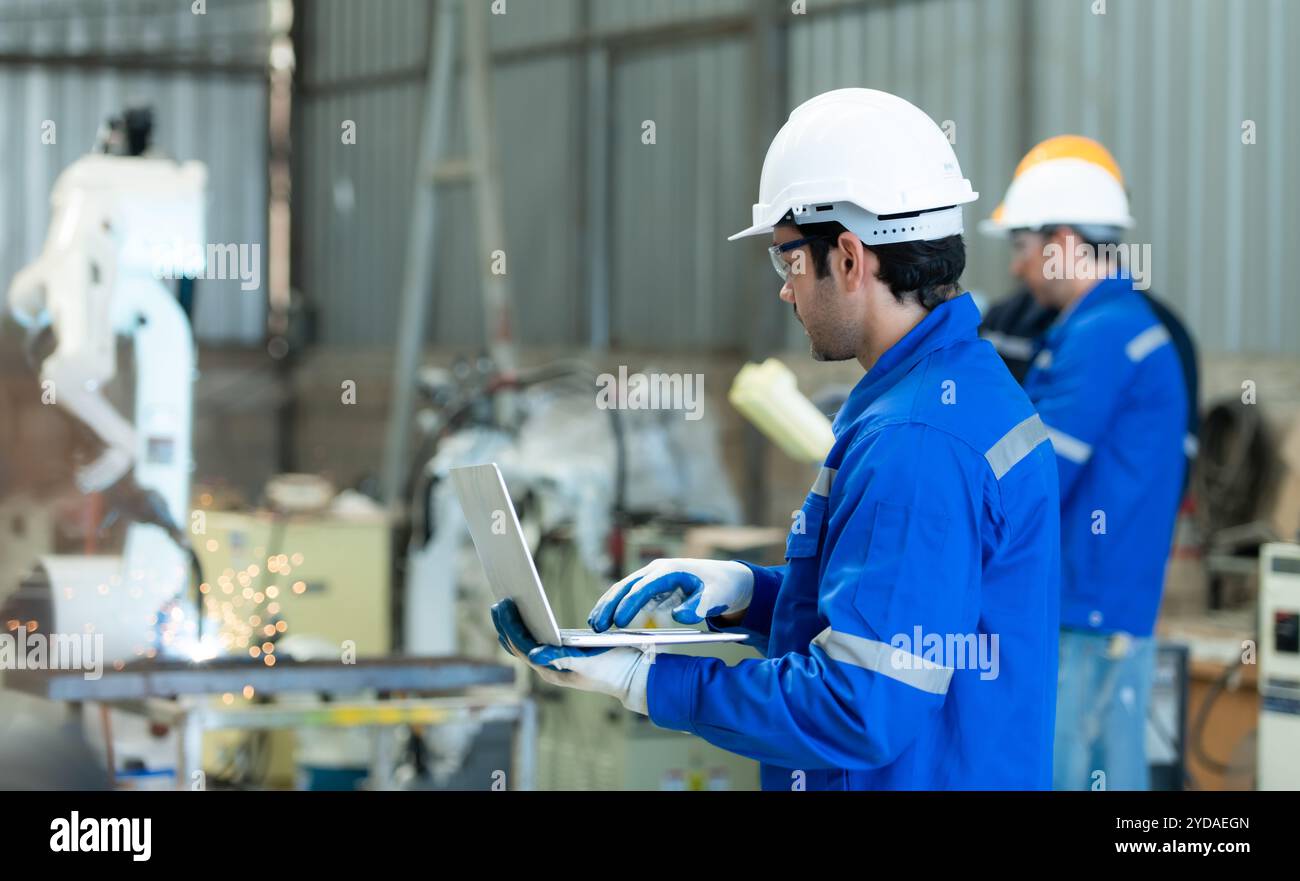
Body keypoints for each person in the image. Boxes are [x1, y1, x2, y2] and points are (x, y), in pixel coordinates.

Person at [491, 88, 1061, 790]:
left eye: (788, 260)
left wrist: (652, 682)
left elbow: (859, 705)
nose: (786, 291)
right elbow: (897, 617)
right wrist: (749, 595)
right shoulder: (950, 390)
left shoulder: (919, 438)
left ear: (849, 258)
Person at [982, 135, 1191, 790]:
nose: (1016, 268)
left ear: (1063, 240)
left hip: (1087, 609)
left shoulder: (1102, 338)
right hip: (1093, 605)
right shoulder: (1100, 328)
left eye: (1020, 245)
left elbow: (1031, 479)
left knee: (1071, 772)